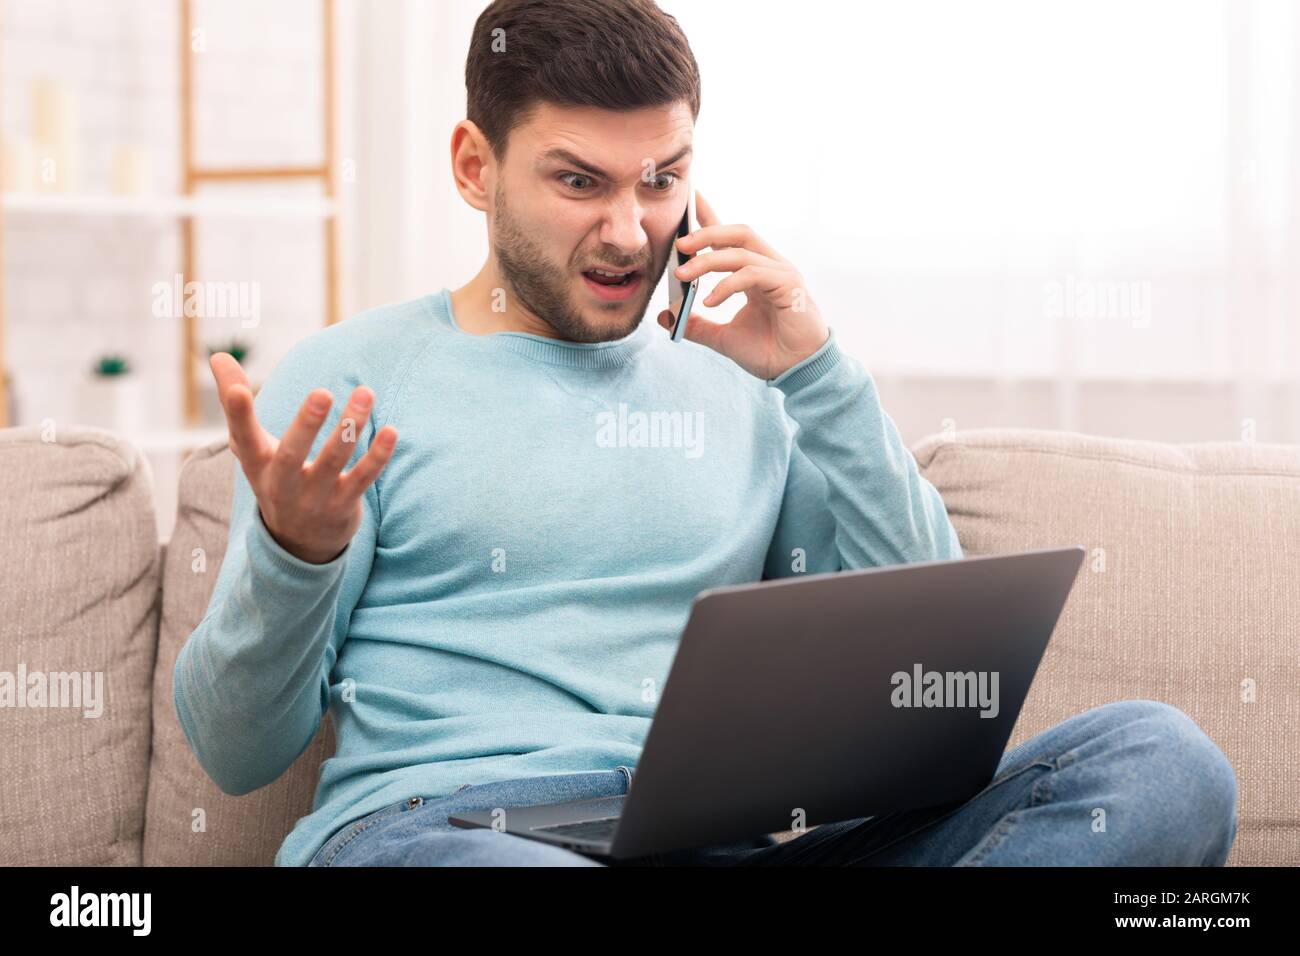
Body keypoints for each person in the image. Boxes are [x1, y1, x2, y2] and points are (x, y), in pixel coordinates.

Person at [174, 0, 1238, 867]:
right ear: (472, 166)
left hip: (732, 836)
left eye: (661, 180)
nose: (630, 230)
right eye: (578, 180)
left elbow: (934, 678)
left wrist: (816, 371)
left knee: (1160, 762)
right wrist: (295, 551)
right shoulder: (350, 383)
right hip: (451, 831)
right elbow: (235, 749)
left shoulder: (746, 388)